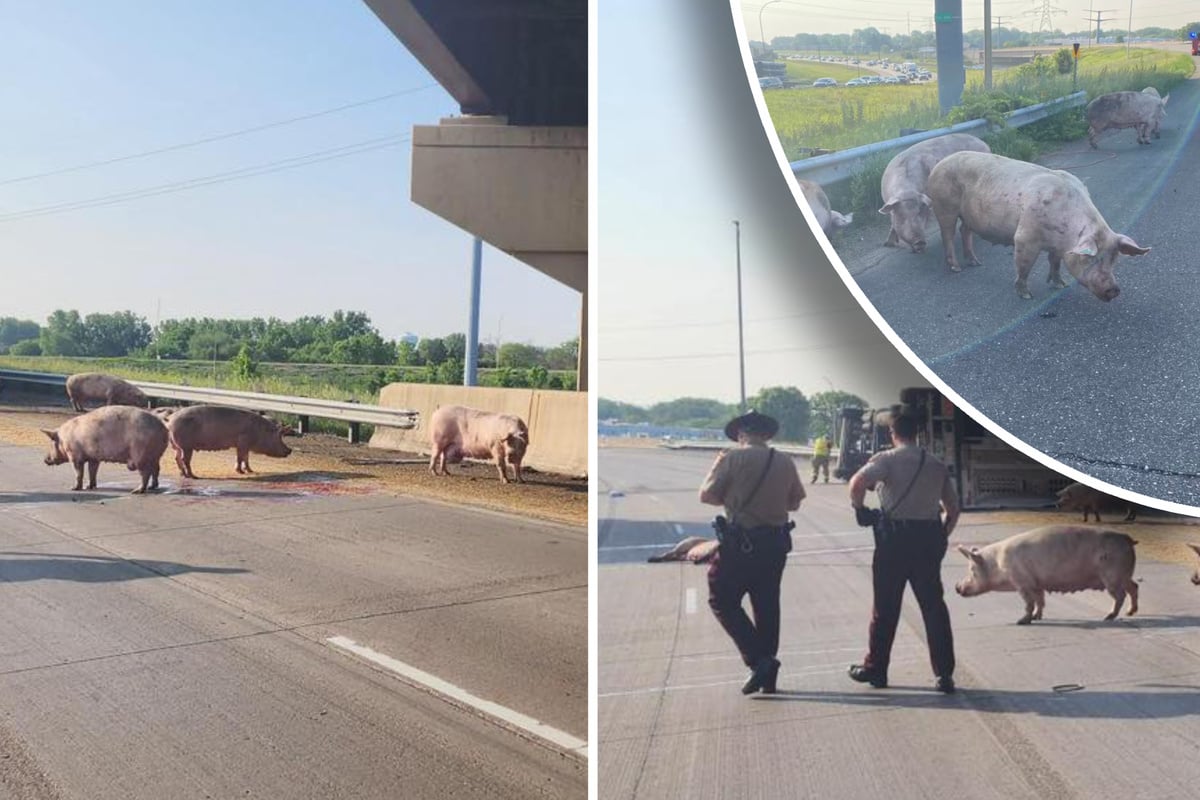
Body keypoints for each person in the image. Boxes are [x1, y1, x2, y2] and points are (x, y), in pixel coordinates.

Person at [847, 406, 960, 694]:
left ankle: (876, 669)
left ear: (892, 433)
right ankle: (944, 674)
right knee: (934, 607)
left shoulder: (886, 459)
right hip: (927, 540)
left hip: (894, 542)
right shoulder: (936, 464)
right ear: (919, 434)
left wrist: (860, 508)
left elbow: (857, 482)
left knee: (885, 608)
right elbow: (953, 508)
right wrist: (941, 533)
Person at [699, 410, 806, 695]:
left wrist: (721, 475)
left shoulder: (732, 458)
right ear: (766, 435)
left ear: (741, 435)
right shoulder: (784, 461)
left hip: (740, 545)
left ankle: (758, 661)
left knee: (721, 598)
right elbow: (795, 503)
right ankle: (768, 677)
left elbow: (707, 495)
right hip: (775, 545)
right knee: (767, 606)